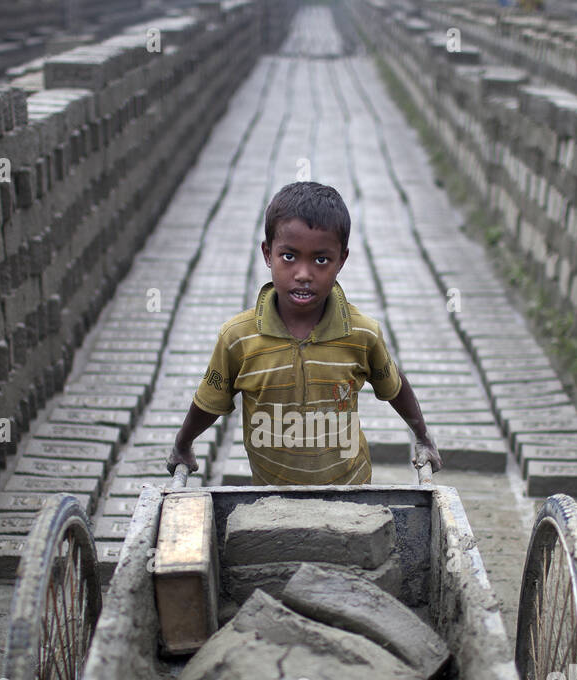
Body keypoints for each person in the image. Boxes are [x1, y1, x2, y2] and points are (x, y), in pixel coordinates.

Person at [166, 181, 442, 485]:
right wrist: (183, 444)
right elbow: (209, 401)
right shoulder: (239, 338)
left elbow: (394, 385)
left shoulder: (362, 334)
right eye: (289, 256)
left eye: (321, 260)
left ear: (341, 261)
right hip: (272, 493)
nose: (303, 274)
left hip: (349, 489)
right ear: (268, 254)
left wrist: (422, 436)